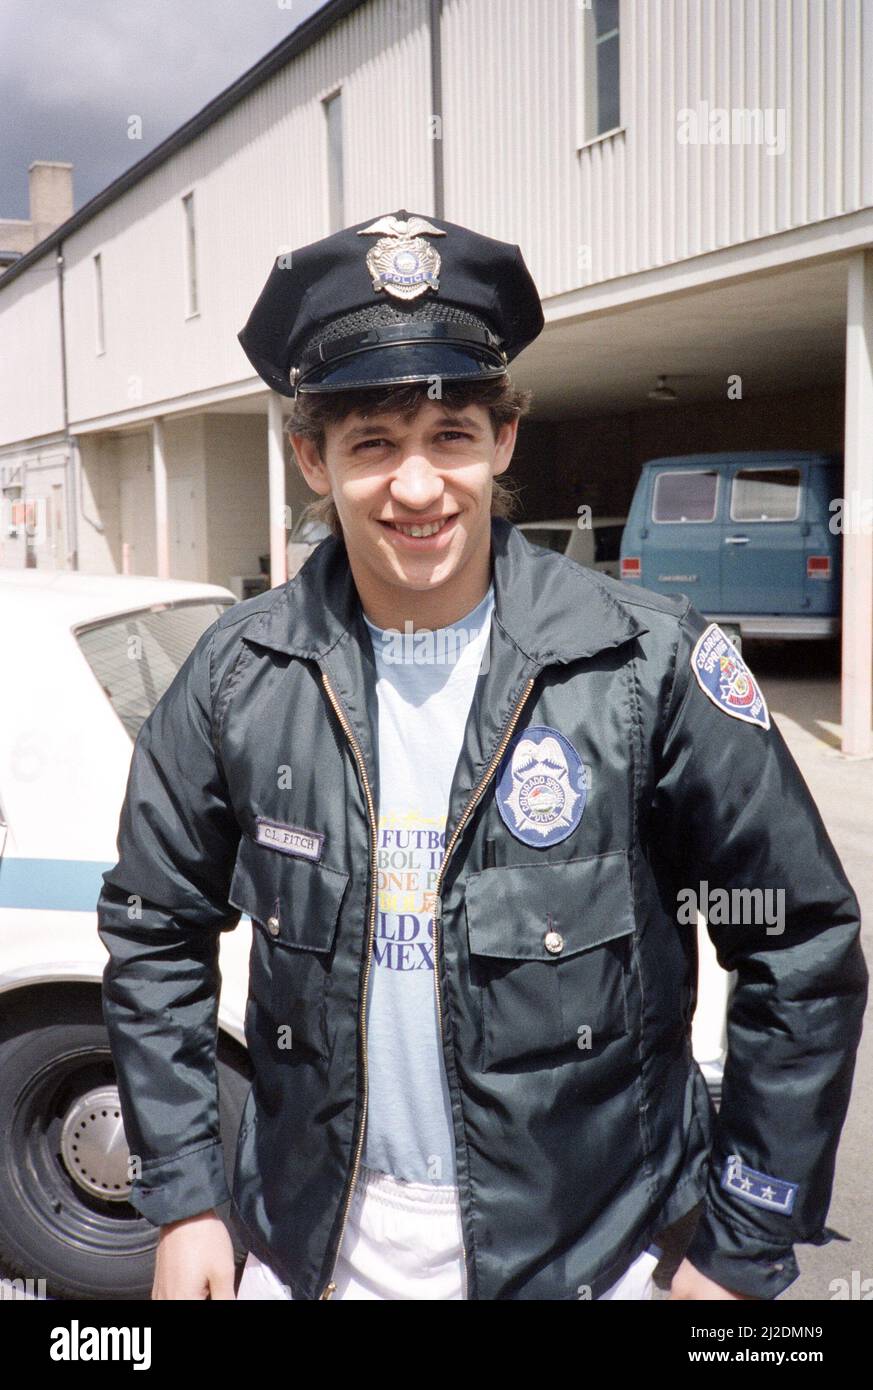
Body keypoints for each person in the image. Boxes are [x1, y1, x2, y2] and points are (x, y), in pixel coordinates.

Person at [97, 210, 867, 1301]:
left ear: (503, 441)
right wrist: (183, 1197)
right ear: (312, 457)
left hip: (603, 1259)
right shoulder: (237, 675)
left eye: (450, 434)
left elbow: (802, 950)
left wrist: (741, 1245)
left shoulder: (648, 664)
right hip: (310, 1255)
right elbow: (154, 926)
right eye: (373, 444)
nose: (418, 487)